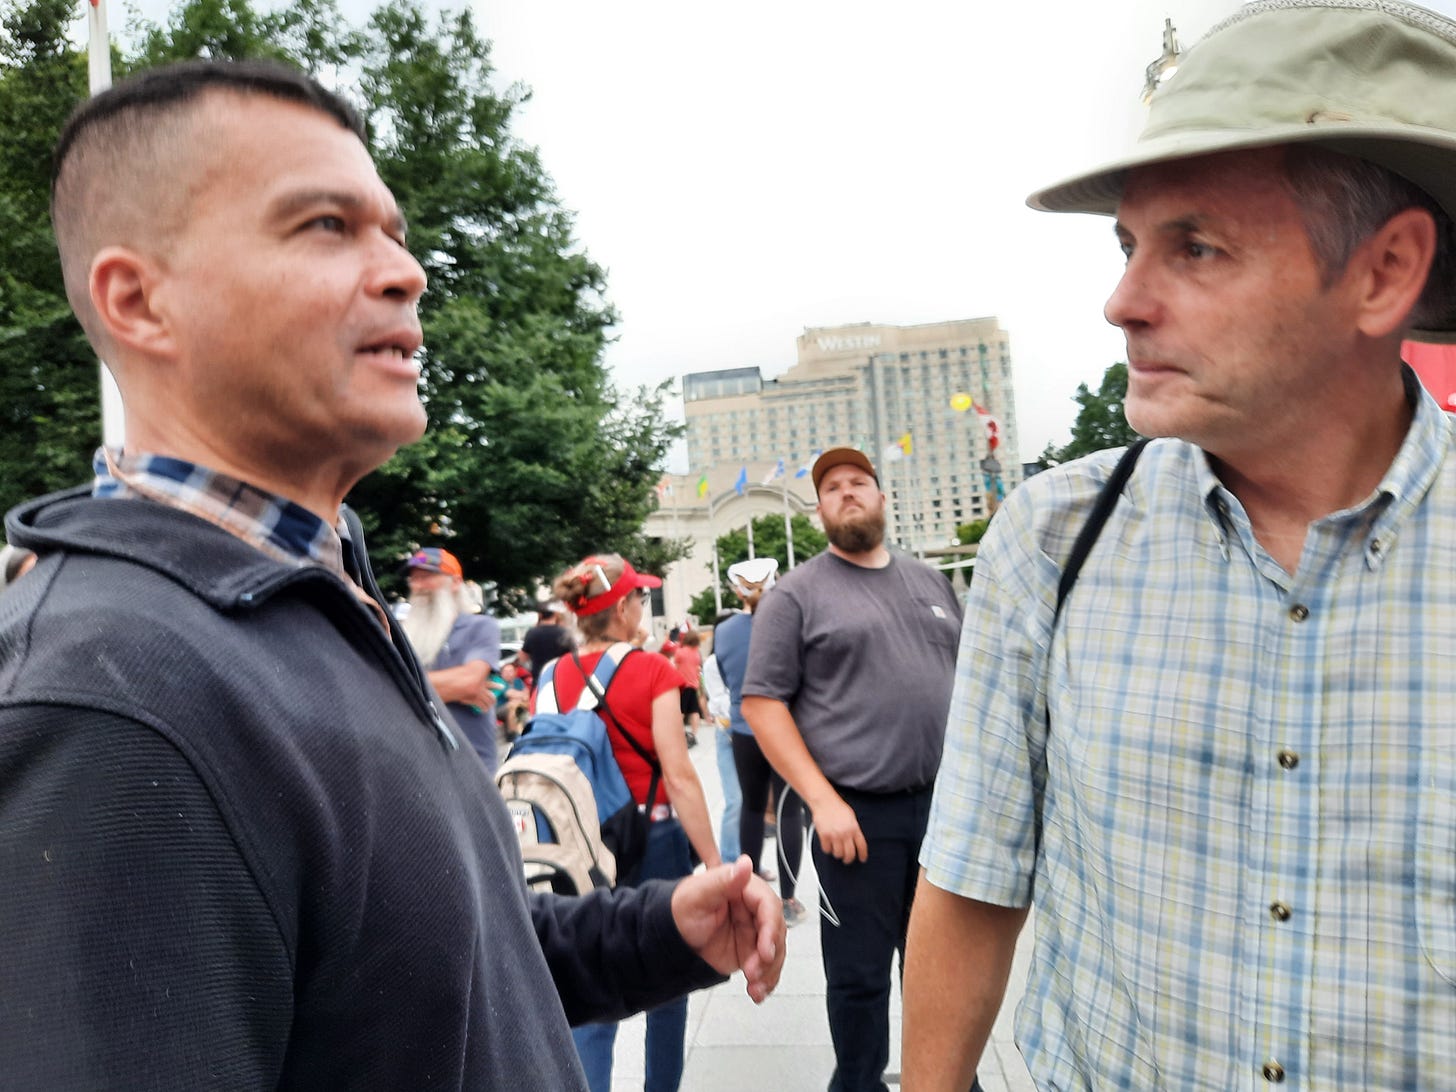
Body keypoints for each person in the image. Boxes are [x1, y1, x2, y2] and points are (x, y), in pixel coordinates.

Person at [0, 59, 784, 1090]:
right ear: (139, 300)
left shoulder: (320, 600)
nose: (404, 273)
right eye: (325, 226)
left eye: (395, 234)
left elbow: (434, 973)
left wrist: (656, 933)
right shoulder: (109, 697)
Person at [903, 3, 1456, 1089]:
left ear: (1384, 270)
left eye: (1194, 247)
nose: (1121, 302)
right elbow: (971, 884)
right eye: (1126, 244)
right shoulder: (1055, 542)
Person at [742, 448, 965, 1092]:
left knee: (943, 973)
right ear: (819, 512)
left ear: (881, 498)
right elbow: (762, 704)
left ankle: (949, 1079)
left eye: (858, 483)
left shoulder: (931, 583)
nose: (847, 494)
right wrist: (824, 802)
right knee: (860, 981)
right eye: (832, 488)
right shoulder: (796, 596)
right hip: (856, 819)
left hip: (943, 815)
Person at [541, 553, 724, 1092]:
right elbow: (680, 773)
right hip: (654, 837)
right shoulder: (650, 669)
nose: (643, 605)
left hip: (581, 843)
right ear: (622, 608)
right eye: (639, 597)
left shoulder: (552, 674)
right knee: (666, 982)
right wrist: (713, 862)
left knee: (592, 978)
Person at [713, 557, 809, 927]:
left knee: (751, 809)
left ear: (736, 590)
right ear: (775, 583)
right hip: (785, 727)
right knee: (788, 811)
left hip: (743, 728)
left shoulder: (723, 631)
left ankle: (750, 892)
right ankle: (788, 899)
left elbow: (723, 672)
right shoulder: (790, 622)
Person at [400, 546, 501, 769]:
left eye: (427, 576)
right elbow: (382, 689)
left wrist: (404, 687)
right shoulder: (403, 635)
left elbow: (469, 683)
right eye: (414, 578)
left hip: (472, 763)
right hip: (416, 762)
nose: (418, 585)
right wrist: (451, 689)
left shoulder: (480, 626)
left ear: (455, 582)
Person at [521, 598, 574, 679]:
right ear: (555, 614)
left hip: (539, 678)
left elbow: (523, 657)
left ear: (540, 615)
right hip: (560, 677)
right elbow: (574, 655)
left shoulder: (531, 633)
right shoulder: (564, 632)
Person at [672, 628, 704, 746]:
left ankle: (677, 735)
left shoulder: (680, 652)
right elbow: (698, 669)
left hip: (682, 685)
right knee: (694, 710)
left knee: (681, 710)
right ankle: (694, 735)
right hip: (693, 685)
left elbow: (675, 668)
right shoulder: (696, 654)